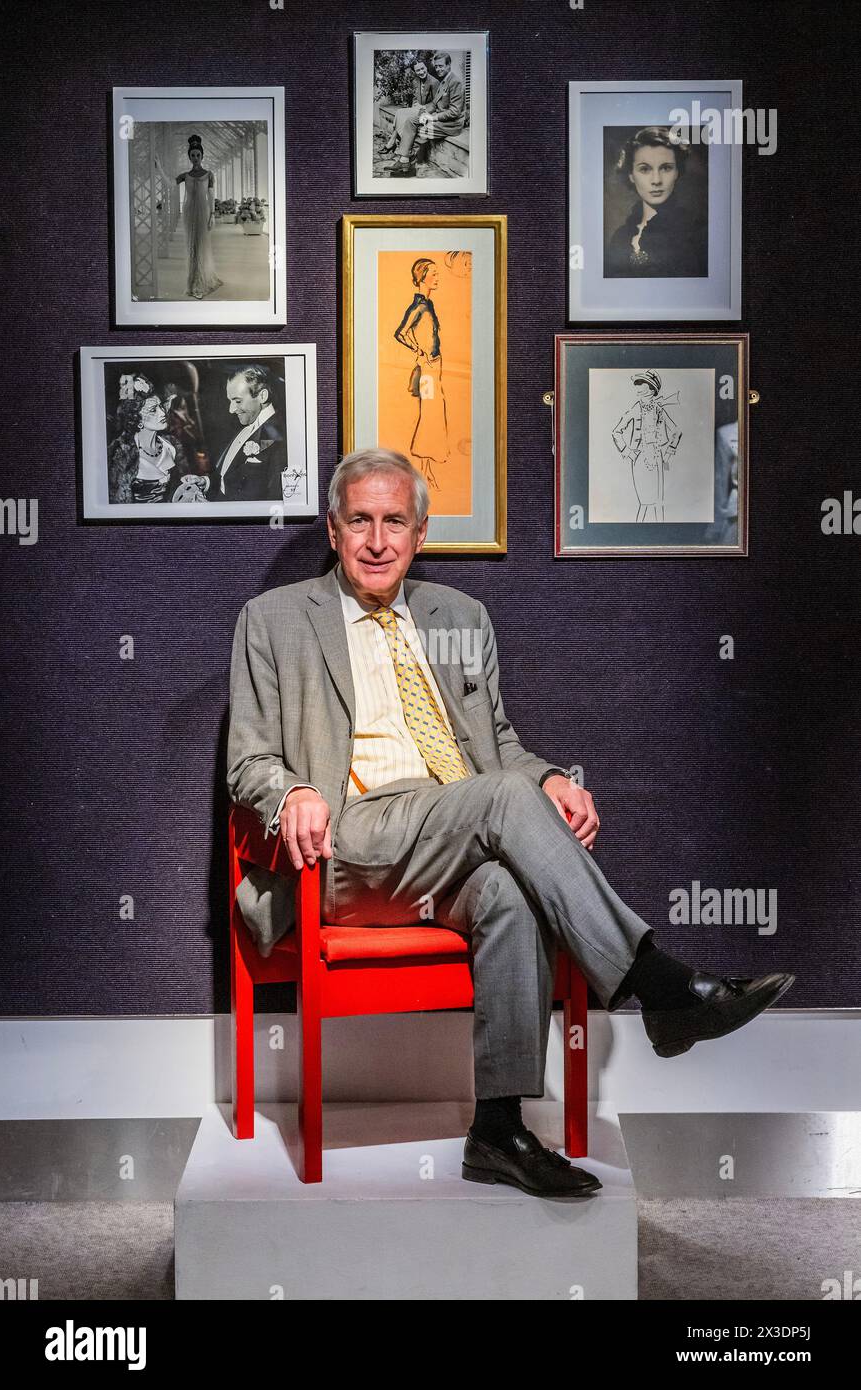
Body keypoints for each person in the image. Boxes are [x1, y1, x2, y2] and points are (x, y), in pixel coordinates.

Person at [226, 448, 795, 1198]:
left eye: (394, 521)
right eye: (359, 521)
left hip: (448, 852)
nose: (376, 540)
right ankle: (660, 985)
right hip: (344, 846)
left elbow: (499, 751)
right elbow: (248, 762)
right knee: (499, 802)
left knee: (509, 890)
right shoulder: (272, 620)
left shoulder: (461, 618)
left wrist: (551, 778)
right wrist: (294, 789)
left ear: (420, 532)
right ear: (333, 530)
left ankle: (498, 1127)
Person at [606, 125, 707, 278]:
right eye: (644, 169)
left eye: (666, 168)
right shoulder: (620, 237)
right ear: (631, 175)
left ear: (677, 172)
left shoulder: (696, 232)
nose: (656, 180)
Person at [393, 258, 449, 489]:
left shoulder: (429, 304)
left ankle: (427, 470)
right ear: (422, 276)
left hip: (435, 366)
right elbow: (400, 333)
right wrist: (418, 350)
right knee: (430, 413)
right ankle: (425, 473)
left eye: (438, 273)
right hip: (427, 369)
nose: (437, 277)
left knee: (435, 413)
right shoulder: (418, 305)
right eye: (433, 273)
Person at [156, 134, 223, 299]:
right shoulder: (185, 175)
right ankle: (193, 282)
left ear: (202, 156)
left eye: (198, 155)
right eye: (192, 155)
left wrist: (212, 215)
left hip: (203, 213)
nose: (195, 158)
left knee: (201, 246)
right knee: (192, 247)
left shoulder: (209, 174)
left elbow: (211, 195)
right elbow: (171, 183)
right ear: (189, 157)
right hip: (189, 213)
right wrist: (159, 167)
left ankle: (201, 282)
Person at [208, 364, 288, 501]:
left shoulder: (278, 438)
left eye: (238, 401)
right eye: (230, 401)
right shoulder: (248, 420)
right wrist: (207, 482)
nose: (231, 409)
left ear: (262, 396)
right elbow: (231, 475)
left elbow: (272, 500)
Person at [611, 369, 682, 522]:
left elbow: (676, 431)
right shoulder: (635, 409)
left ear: (651, 389)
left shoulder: (659, 409)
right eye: (637, 384)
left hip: (657, 457)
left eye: (641, 384)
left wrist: (669, 452)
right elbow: (616, 432)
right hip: (639, 459)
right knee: (644, 502)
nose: (637, 387)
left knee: (658, 502)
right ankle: (638, 530)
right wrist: (629, 452)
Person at [107, 373, 185, 504]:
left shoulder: (171, 445)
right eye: (153, 410)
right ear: (136, 419)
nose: (162, 412)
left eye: (160, 406)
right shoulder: (121, 455)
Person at [392, 51, 466, 176]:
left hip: (451, 124)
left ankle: (409, 163)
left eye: (441, 66)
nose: (438, 69)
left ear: (449, 65)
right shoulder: (444, 81)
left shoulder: (455, 82)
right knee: (411, 121)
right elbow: (434, 104)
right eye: (436, 66)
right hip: (441, 119)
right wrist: (424, 112)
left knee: (418, 130)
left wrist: (433, 117)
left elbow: (454, 112)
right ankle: (405, 160)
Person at [379, 56, 438, 160]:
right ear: (415, 72)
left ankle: (394, 143)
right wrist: (415, 105)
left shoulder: (434, 82)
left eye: (422, 68)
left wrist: (423, 107)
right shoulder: (417, 81)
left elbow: (437, 103)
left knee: (404, 117)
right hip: (419, 109)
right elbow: (415, 98)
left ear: (426, 68)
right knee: (400, 112)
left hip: (430, 112)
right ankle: (395, 142)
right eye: (418, 70)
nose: (421, 72)